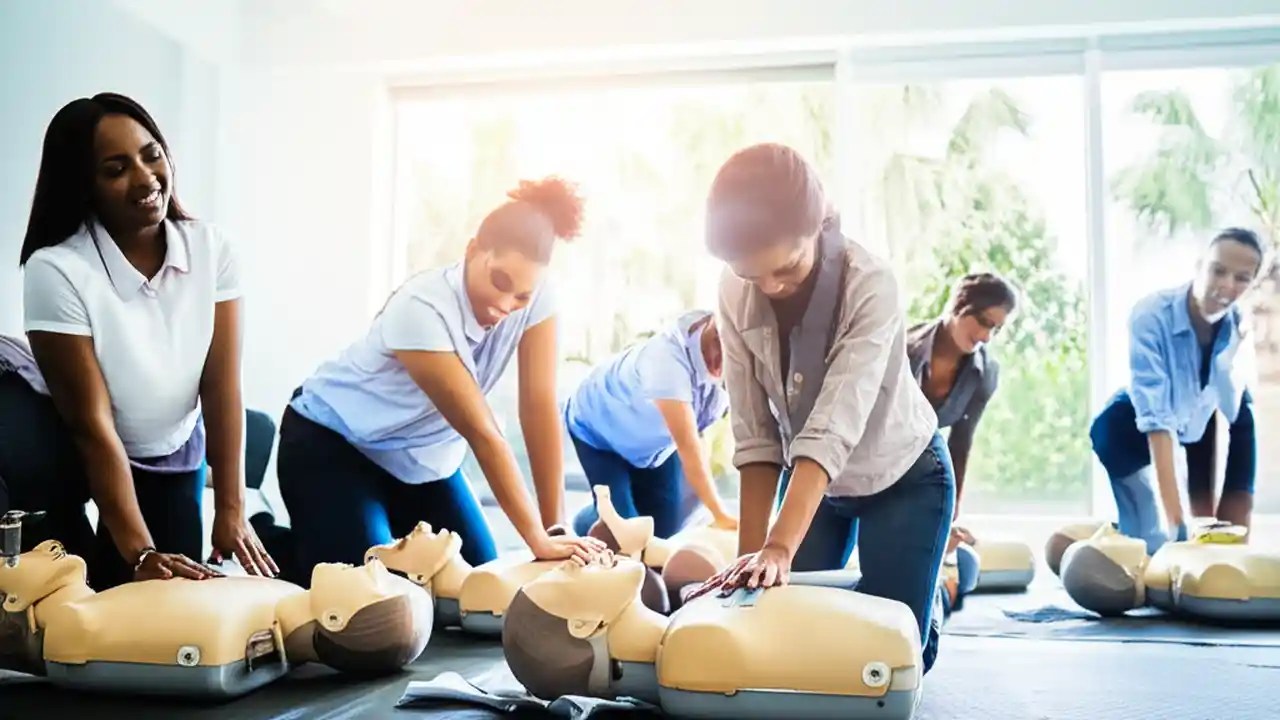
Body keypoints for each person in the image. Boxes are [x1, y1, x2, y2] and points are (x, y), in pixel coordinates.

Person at [689, 143, 954, 674]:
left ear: (818, 227)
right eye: (751, 276)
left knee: (892, 658)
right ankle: (901, 584)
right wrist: (751, 564)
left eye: (784, 269)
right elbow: (755, 431)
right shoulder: (733, 291)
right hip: (817, 486)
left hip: (903, 476)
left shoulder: (869, 284)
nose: (768, 288)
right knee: (781, 624)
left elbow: (834, 425)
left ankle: (931, 597)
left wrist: (781, 547)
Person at [277, 177, 605, 579]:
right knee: (367, 598)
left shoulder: (538, 298)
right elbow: (482, 432)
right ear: (472, 251)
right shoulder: (421, 307)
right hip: (334, 446)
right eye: (499, 281)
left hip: (424, 464)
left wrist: (555, 531)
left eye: (521, 297)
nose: (505, 305)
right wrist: (535, 539)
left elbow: (538, 408)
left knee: (483, 587)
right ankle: (279, 544)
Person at [12, 92, 276, 589]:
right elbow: (92, 424)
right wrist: (139, 551)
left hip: (171, 449)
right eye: (115, 169)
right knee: (98, 599)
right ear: (84, 186)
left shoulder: (211, 248)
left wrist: (231, 509)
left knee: (173, 596)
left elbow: (221, 386)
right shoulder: (57, 269)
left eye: (151, 154)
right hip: (74, 452)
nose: (145, 178)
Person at [1090, 227, 1264, 554]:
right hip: (1129, 432)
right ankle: (1104, 541)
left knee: (1245, 413)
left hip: (1192, 430)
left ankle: (1229, 544)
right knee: (1151, 542)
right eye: (1218, 271)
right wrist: (1177, 523)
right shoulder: (1151, 315)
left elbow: (1230, 410)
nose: (1228, 286)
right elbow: (1158, 422)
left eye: (1242, 278)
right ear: (1200, 266)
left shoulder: (1235, 324)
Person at [565, 310, 737, 539]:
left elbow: (701, 433)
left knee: (664, 529)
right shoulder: (666, 361)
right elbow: (689, 448)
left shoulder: (736, 365)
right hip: (598, 431)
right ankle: (595, 519)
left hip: (650, 442)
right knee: (624, 534)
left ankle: (604, 513)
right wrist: (721, 515)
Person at [907, 272, 1018, 552]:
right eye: (983, 322)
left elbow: (960, 441)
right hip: (868, 461)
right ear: (960, 304)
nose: (986, 336)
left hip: (920, 465)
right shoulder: (902, 348)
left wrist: (948, 511)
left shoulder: (984, 374)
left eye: (996, 329)